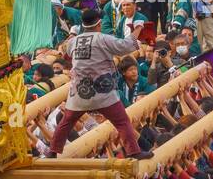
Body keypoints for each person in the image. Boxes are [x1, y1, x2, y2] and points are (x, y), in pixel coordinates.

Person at [49, 9, 150, 158]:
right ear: (99, 24)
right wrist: (138, 28)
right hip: (103, 92)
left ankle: (52, 151)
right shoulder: (103, 39)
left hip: (79, 92)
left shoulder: (73, 42)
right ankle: (134, 151)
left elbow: (67, 51)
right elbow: (126, 46)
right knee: (122, 121)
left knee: (66, 122)